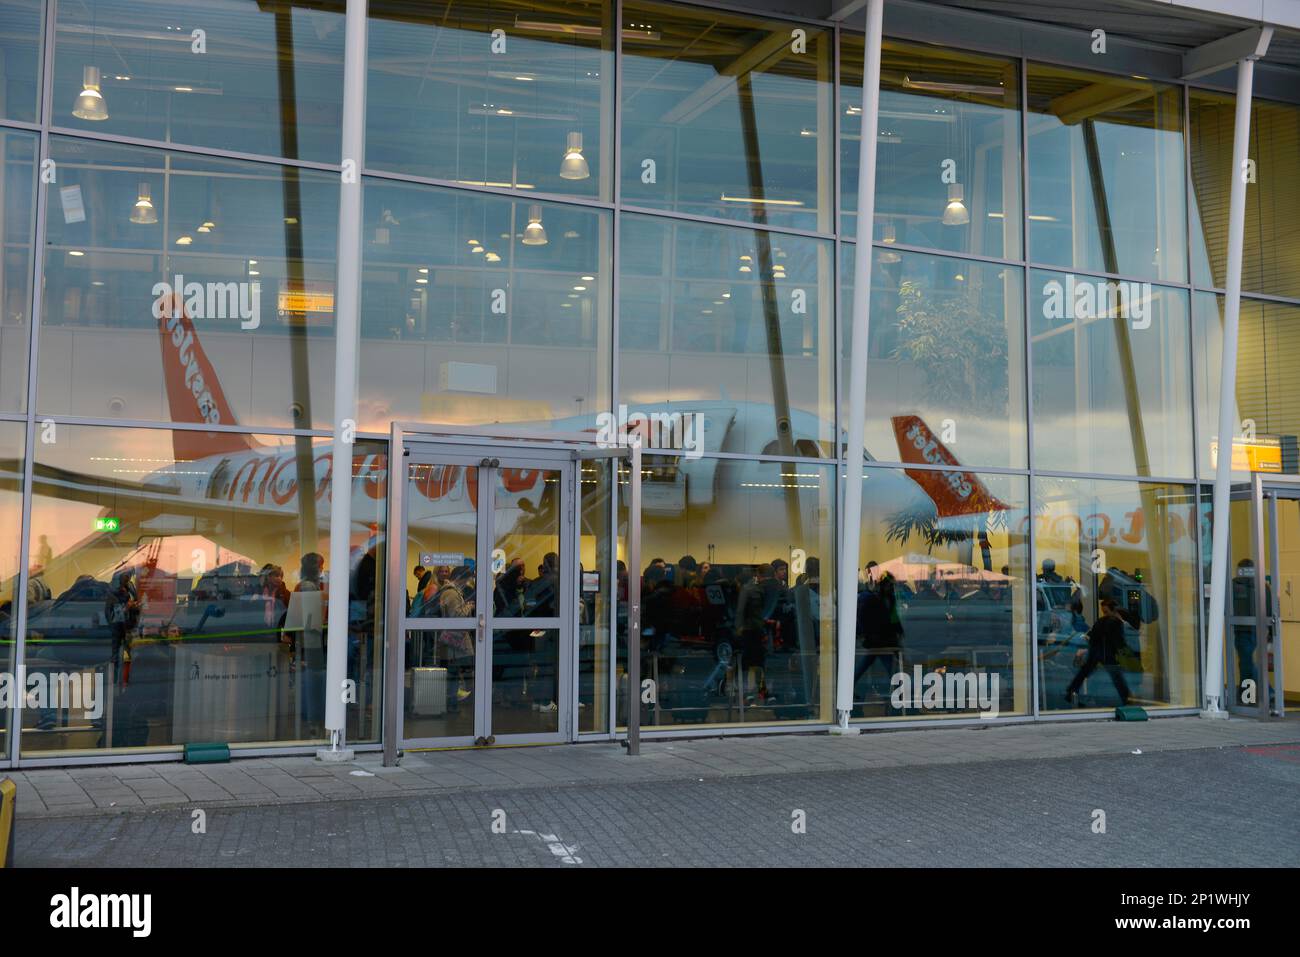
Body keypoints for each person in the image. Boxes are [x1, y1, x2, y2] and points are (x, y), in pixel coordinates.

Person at [1064, 597, 1131, 706]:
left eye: (1106, 611)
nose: (1104, 614)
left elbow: (1091, 635)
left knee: (1085, 672)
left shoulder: (1102, 621)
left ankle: (1071, 691)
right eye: (1104, 612)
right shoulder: (1116, 622)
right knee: (1116, 675)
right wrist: (1123, 651)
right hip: (1106, 652)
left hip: (1096, 651)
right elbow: (1118, 640)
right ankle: (1126, 697)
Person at [293, 552, 328, 734]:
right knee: (314, 679)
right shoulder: (308, 586)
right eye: (321, 566)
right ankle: (312, 719)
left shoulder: (309, 585)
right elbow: (312, 617)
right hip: (312, 641)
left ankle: (312, 717)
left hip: (310, 639)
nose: (323, 569)